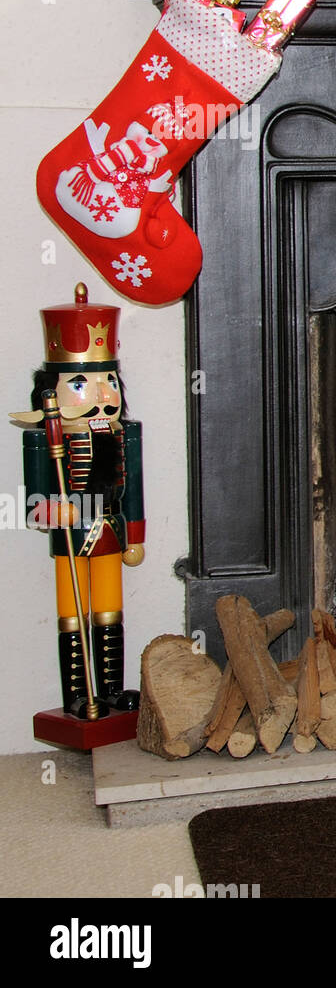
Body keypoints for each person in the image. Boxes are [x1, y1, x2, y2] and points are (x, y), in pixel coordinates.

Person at [10, 285, 144, 722]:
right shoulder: (43, 440)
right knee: (72, 615)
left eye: (108, 381)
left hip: (111, 531)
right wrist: (54, 510)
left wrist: (135, 536)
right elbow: (33, 503)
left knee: (109, 611)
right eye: (84, 383)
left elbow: (135, 489)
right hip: (69, 539)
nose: (102, 394)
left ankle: (109, 690)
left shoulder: (125, 435)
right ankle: (76, 694)